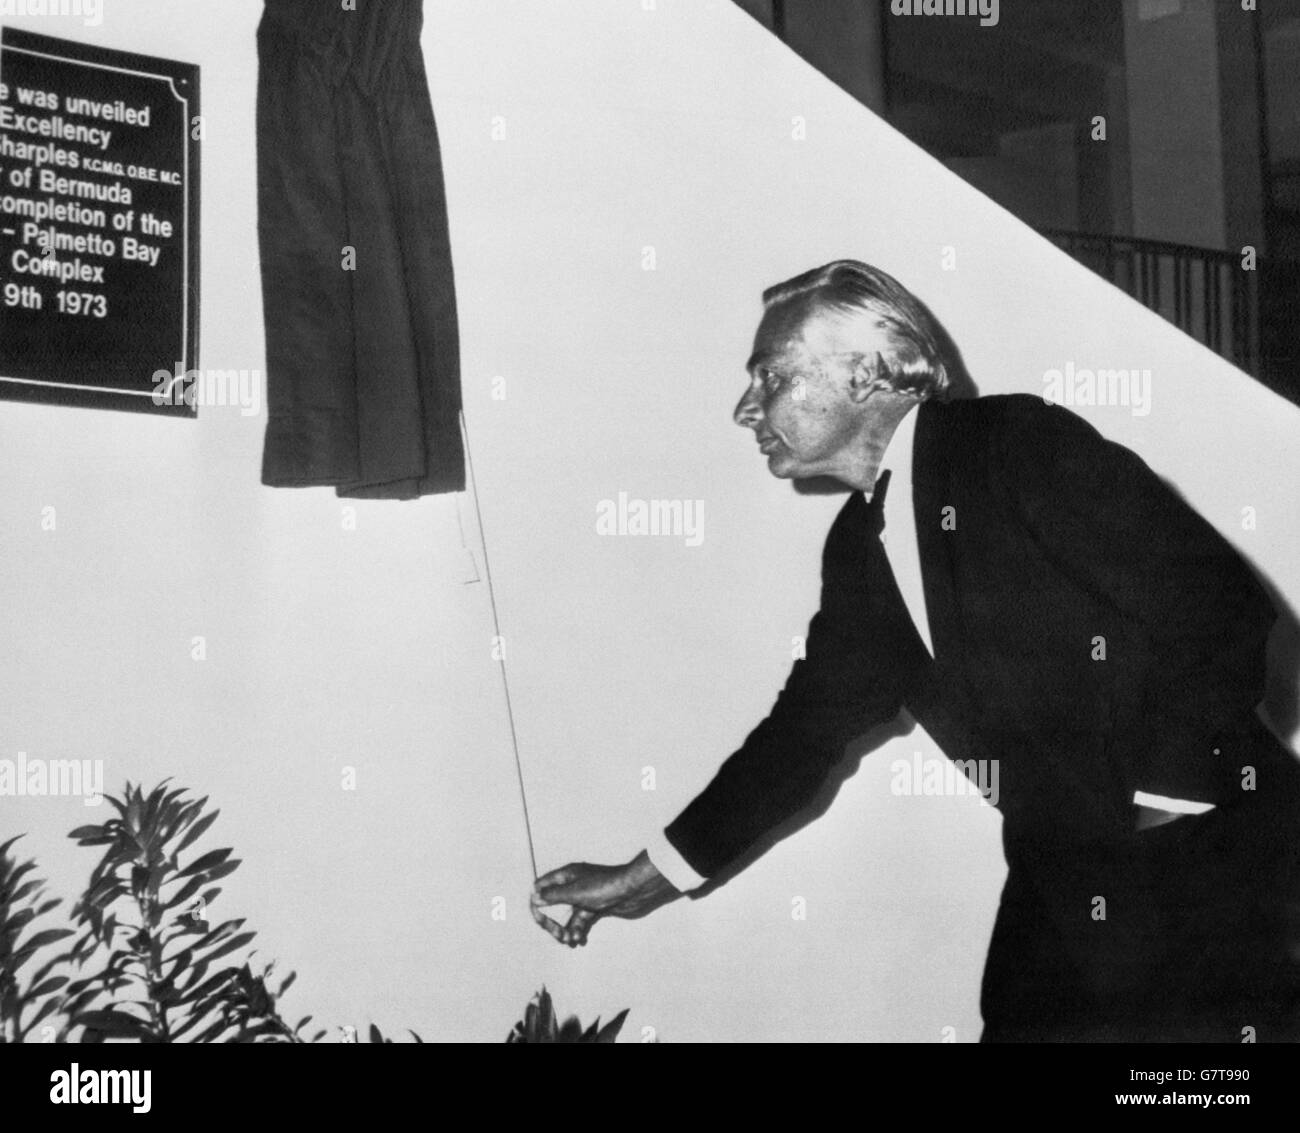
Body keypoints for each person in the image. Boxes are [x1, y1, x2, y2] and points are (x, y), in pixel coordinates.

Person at [530, 260, 1300, 1041]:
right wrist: (644, 878)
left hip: (1222, 866)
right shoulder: (861, 547)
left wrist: (1162, 801)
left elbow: (1217, 604)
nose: (744, 408)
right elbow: (802, 736)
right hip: (1061, 879)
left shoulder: (1015, 443)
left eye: (770, 377)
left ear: (866, 373)